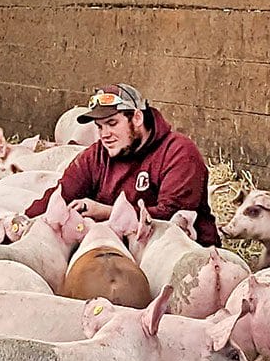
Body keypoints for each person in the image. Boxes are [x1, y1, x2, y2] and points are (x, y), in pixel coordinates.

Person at [25, 83, 220, 246]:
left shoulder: (179, 152)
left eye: (112, 123)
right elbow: (62, 192)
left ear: (136, 118)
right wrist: (23, 223)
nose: (104, 134)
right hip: (123, 249)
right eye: (99, 127)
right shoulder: (97, 155)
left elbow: (173, 216)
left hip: (181, 252)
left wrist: (106, 212)